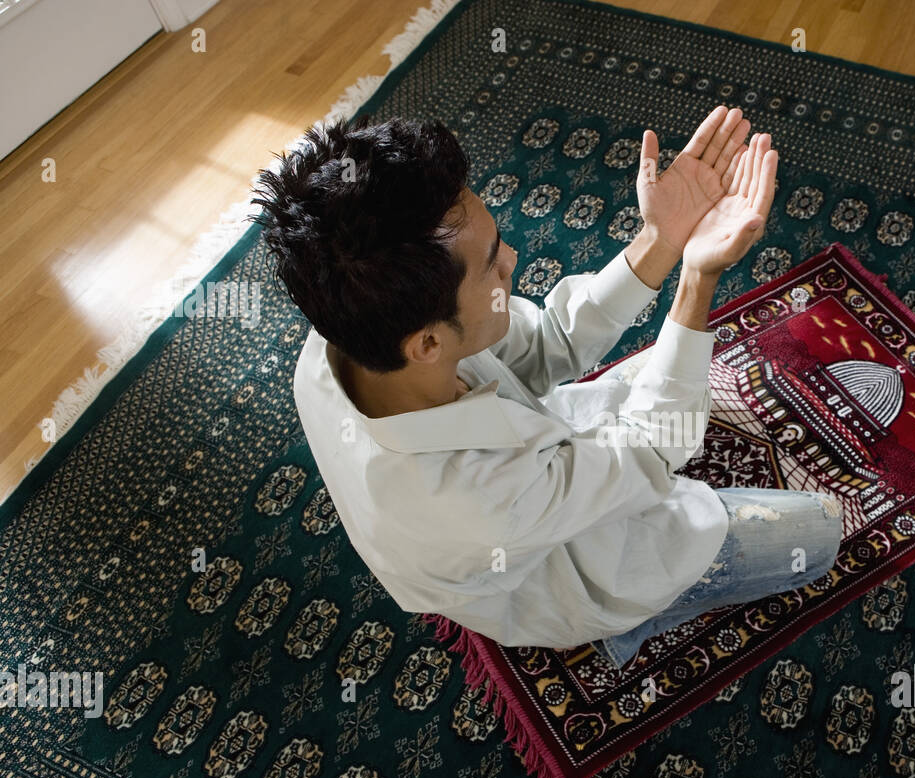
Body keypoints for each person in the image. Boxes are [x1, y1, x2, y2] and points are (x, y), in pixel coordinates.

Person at [251, 105, 843, 670]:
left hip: (520, 478)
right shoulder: (470, 500)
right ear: (429, 344)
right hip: (561, 569)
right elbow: (660, 446)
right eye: (490, 263)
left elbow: (549, 341)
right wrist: (697, 274)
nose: (511, 256)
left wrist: (663, 239)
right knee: (822, 532)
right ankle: (621, 622)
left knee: (679, 376)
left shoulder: (347, 333)